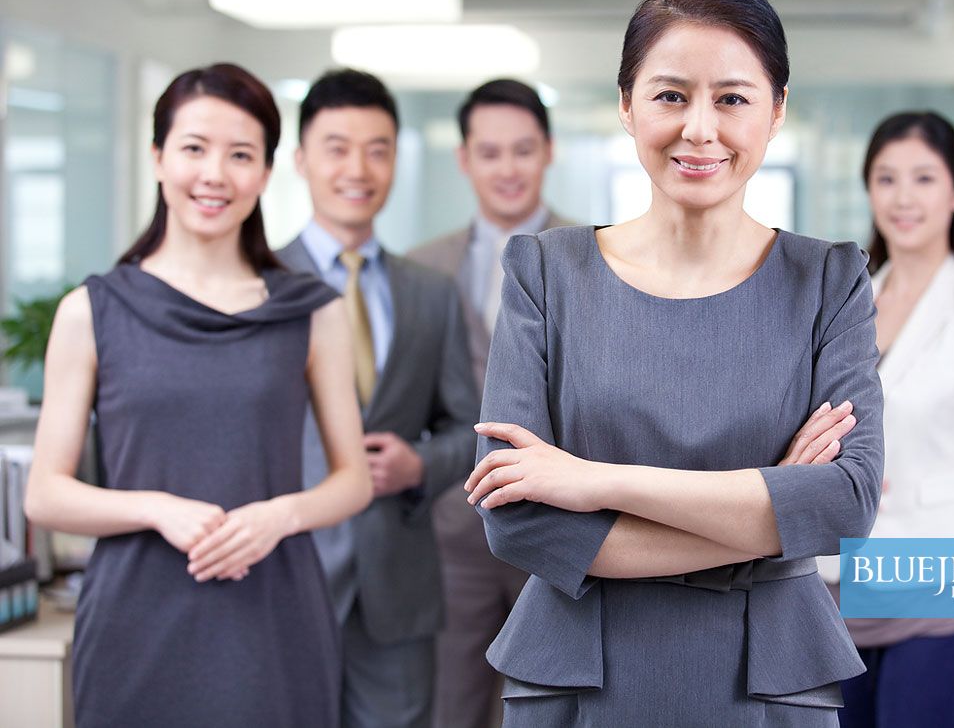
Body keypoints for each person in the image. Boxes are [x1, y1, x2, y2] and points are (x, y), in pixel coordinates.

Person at [463, 0, 882, 726]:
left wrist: (594, 483)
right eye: (669, 96)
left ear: (776, 110)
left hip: (767, 679)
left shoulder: (827, 280)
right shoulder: (546, 273)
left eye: (731, 98)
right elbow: (516, 517)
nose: (699, 129)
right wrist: (767, 509)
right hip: (581, 676)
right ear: (626, 105)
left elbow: (845, 504)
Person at [23, 63, 372, 728]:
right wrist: (156, 508)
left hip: (274, 612)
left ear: (266, 173)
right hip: (136, 619)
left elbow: (352, 480)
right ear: (158, 158)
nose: (214, 174)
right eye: (193, 148)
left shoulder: (310, 311)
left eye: (240, 154)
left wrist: (278, 516)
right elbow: (46, 493)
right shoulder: (92, 311)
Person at [277, 68, 480, 728]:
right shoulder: (258, 287)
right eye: (336, 147)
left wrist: (422, 466)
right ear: (302, 159)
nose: (357, 168)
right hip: (284, 578)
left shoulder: (429, 291)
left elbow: (465, 425)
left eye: (378, 148)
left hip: (398, 588)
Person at [407, 77, 572, 728]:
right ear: (464, 159)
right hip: (454, 532)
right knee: (455, 705)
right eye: (490, 152)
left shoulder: (598, 256)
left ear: (548, 152)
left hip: (560, 533)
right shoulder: (424, 270)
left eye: (522, 150)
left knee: (551, 705)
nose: (507, 169)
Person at [831, 111, 954, 728]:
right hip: (837, 586)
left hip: (937, 585)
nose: (903, 197)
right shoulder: (845, 299)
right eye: (886, 178)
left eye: (923, 178)